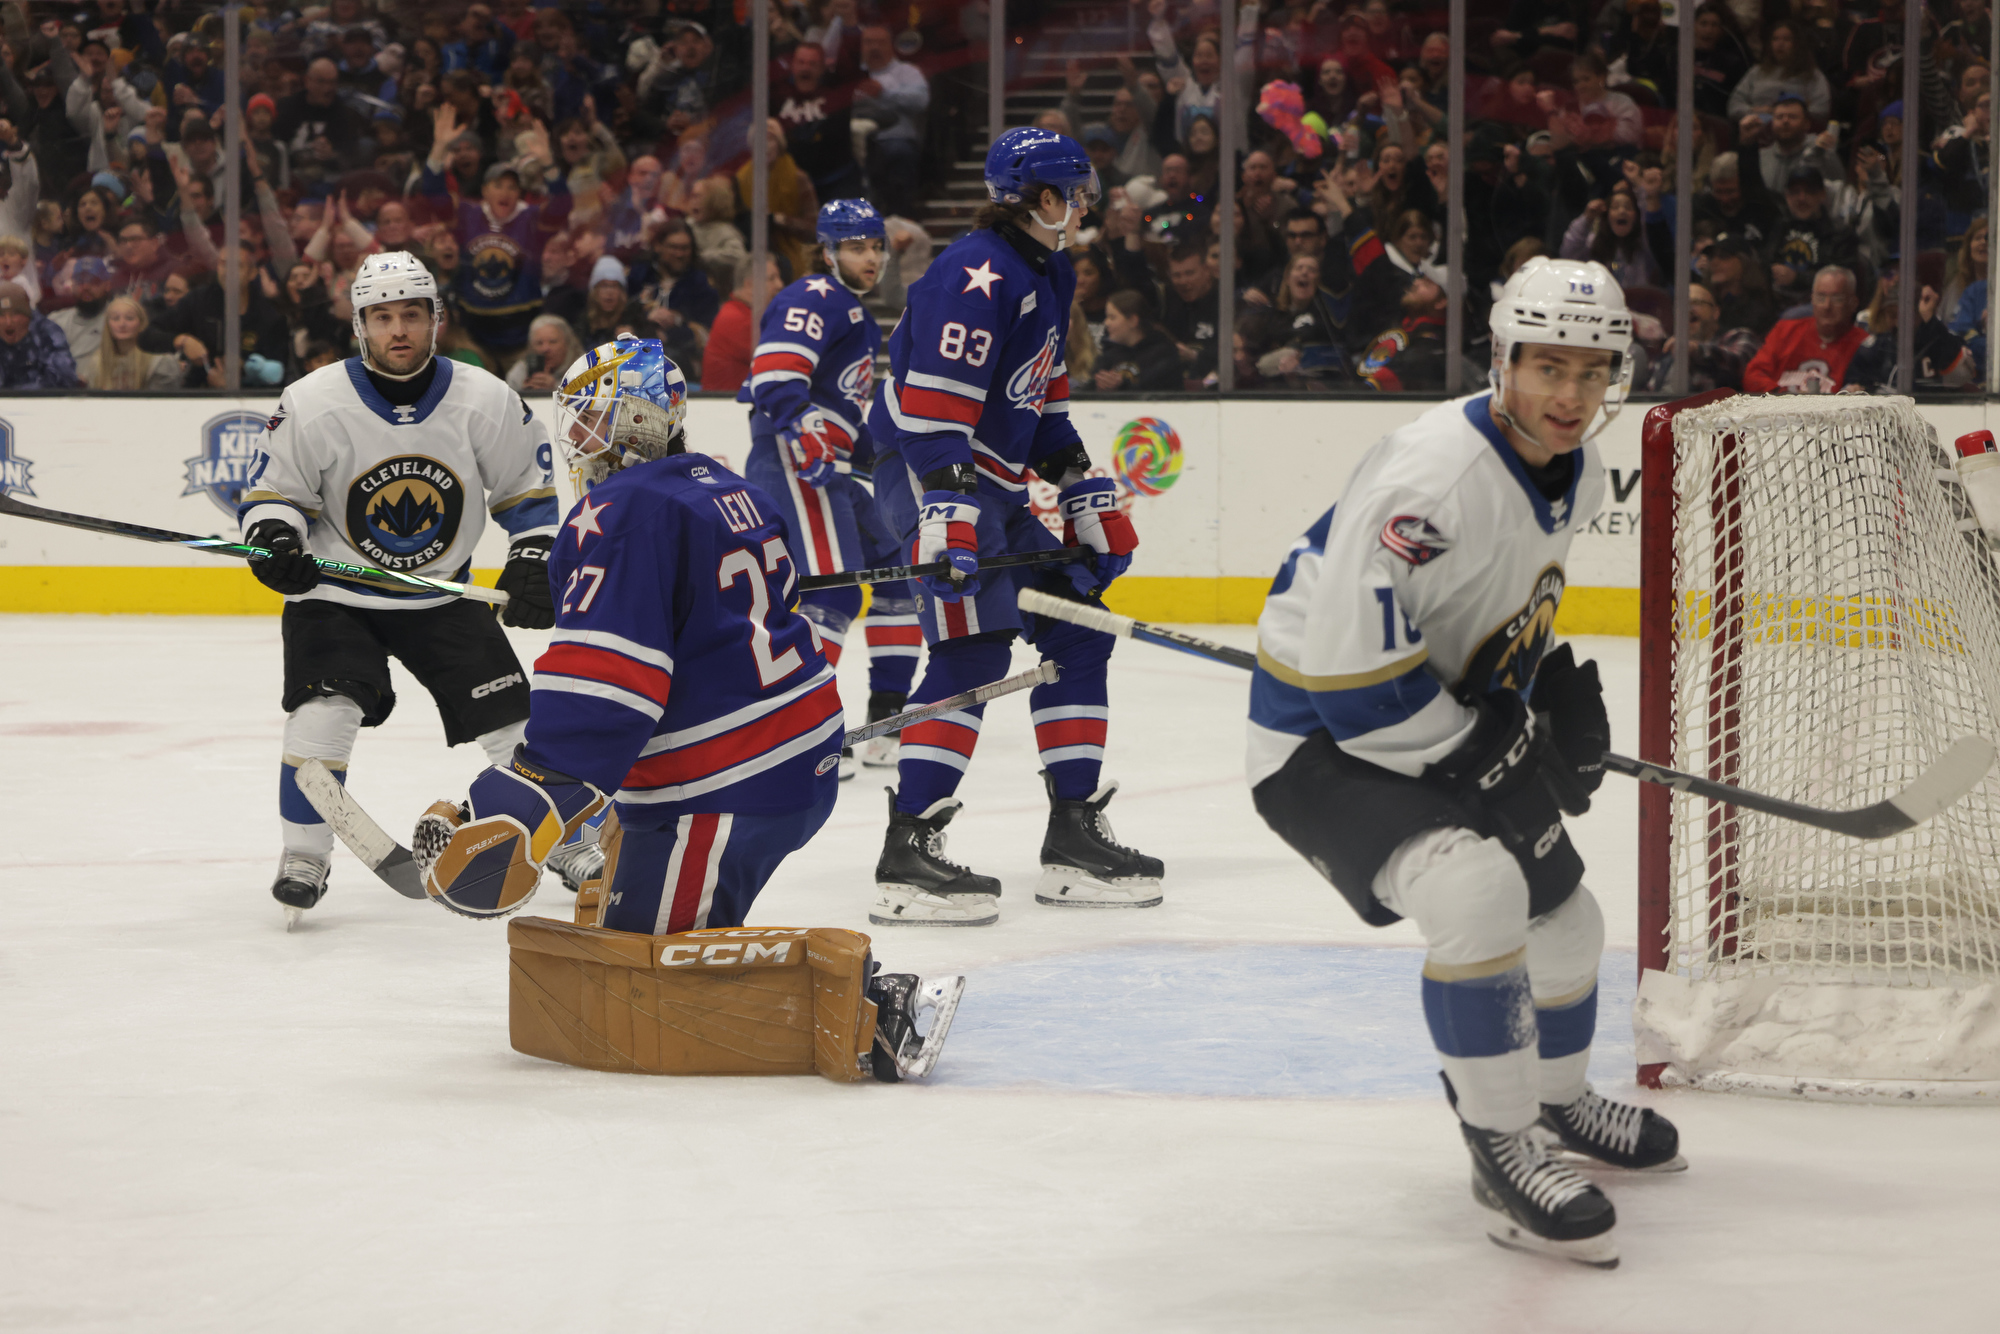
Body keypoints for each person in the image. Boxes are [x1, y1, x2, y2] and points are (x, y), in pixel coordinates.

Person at [1248, 256, 1685, 1269]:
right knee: (1480, 891)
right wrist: (1481, 750)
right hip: (1315, 740)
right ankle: (1498, 1146)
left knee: (1565, 919)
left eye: (1590, 370)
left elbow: (1479, 615)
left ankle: (1558, 1099)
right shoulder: (1429, 477)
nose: (1569, 396)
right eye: (1546, 368)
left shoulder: (1559, 461)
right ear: (1503, 361)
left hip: (1432, 716)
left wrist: (1530, 704)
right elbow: (1348, 686)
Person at [414, 336, 962, 1083]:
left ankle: (869, 1004)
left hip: (722, 790)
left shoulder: (622, 511)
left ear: (634, 420)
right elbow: (706, 622)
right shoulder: (727, 485)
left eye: (588, 419)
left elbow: (609, 683)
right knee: (627, 935)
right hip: (788, 756)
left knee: (647, 985)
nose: (575, 439)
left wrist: (524, 796)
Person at [867, 126, 1163, 927]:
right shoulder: (973, 273)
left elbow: (1042, 405)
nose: (1087, 205)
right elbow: (934, 413)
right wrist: (948, 518)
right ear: (1042, 198)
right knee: (972, 648)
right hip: (927, 477)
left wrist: (1078, 484)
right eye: (1077, 191)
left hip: (983, 488)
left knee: (1079, 629)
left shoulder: (1050, 269)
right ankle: (909, 848)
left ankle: (1073, 835)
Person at [235, 251, 560, 924]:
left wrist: (532, 559)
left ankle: (567, 843)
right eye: (383, 317)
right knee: (322, 718)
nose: (399, 330)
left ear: (434, 320)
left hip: (442, 593)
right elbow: (275, 496)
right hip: (333, 595)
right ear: (361, 326)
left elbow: (528, 496)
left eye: (412, 314)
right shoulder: (313, 401)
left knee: (514, 725)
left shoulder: (485, 397)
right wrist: (276, 541)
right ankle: (305, 857)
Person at [737, 200, 922, 780]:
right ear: (827, 251)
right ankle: (810, 729)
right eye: (856, 247)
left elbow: (848, 408)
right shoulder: (814, 296)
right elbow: (774, 375)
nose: (870, 257)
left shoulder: (856, 312)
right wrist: (802, 426)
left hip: (832, 463)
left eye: (876, 247)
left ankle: (888, 720)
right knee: (833, 594)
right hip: (795, 459)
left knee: (896, 570)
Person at [1743, 265, 1866, 392]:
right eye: (1820, 297)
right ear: (1812, 300)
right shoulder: (1785, 330)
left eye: (1837, 299)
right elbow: (1753, 374)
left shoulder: (1864, 345)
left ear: (1853, 303)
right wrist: (1781, 397)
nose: (1826, 306)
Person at [852, 24, 928, 222]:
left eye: (880, 42)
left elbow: (921, 100)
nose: (874, 47)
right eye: (869, 42)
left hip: (894, 139)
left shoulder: (907, 72)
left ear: (891, 45)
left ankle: (901, 217)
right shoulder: (851, 75)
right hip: (854, 143)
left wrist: (884, 92)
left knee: (898, 154)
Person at [702, 252, 782, 396]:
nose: (780, 284)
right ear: (750, 285)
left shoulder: (745, 314)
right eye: (772, 279)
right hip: (726, 410)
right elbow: (781, 361)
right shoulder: (736, 319)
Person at [80, 294, 178, 390]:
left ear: (142, 323)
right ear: (108, 325)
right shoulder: (96, 364)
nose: (122, 324)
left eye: (129, 318)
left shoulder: (157, 363)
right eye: (115, 318)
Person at [1091, 290, 1181, 392]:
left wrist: (1121, 386)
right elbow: (1092, 383)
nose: (1106, 323)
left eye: (1112, 317)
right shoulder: (1110, 354)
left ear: (1133, 321)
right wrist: (1098, 385)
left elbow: (1151, 388)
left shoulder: (1164, 354)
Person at [0, 279, 78, 388]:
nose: (8, 322)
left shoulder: (48, 332)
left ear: (27, 315)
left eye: (15, 314)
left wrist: (16, 393)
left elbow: (65, 377)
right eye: (2, 315)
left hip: (43, 402)